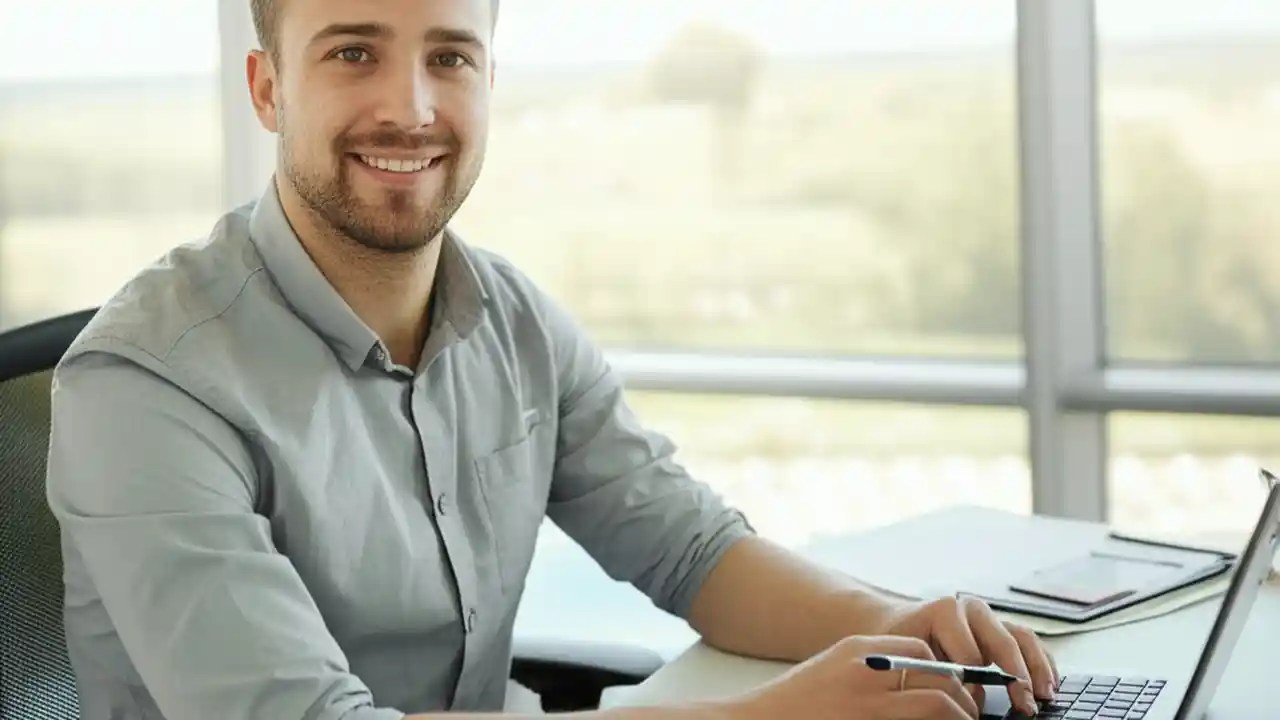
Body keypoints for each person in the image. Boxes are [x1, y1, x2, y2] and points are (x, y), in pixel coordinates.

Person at [45, 1, 1058, 718]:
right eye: (353, 53)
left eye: (449, 57)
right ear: (267, 88)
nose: (411, 107)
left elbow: (690, 552)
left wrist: (903, 634)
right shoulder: (144, 384)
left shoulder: (514, 321)